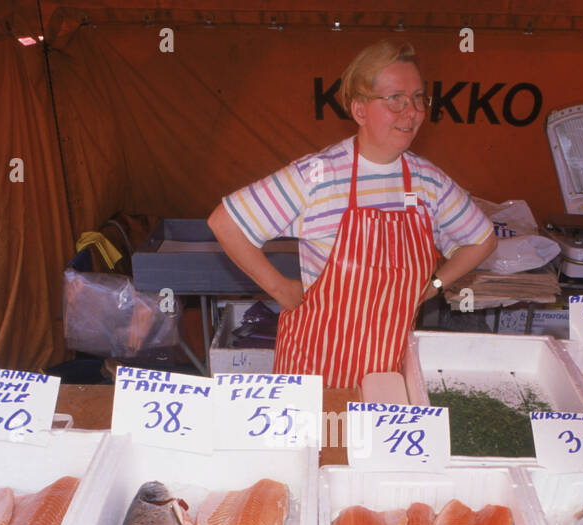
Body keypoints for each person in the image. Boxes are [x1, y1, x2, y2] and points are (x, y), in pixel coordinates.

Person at [208, 40, 497, 388]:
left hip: (386, 375)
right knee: (320, 443)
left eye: (419, 98)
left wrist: (434, 285)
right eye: (396, 100)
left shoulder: (428, 181)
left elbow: (482, 239)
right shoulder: (317, 175)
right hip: (313, 373)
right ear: (360, 110)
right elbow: (225, 222)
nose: (412, 112)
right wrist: (280, 289)